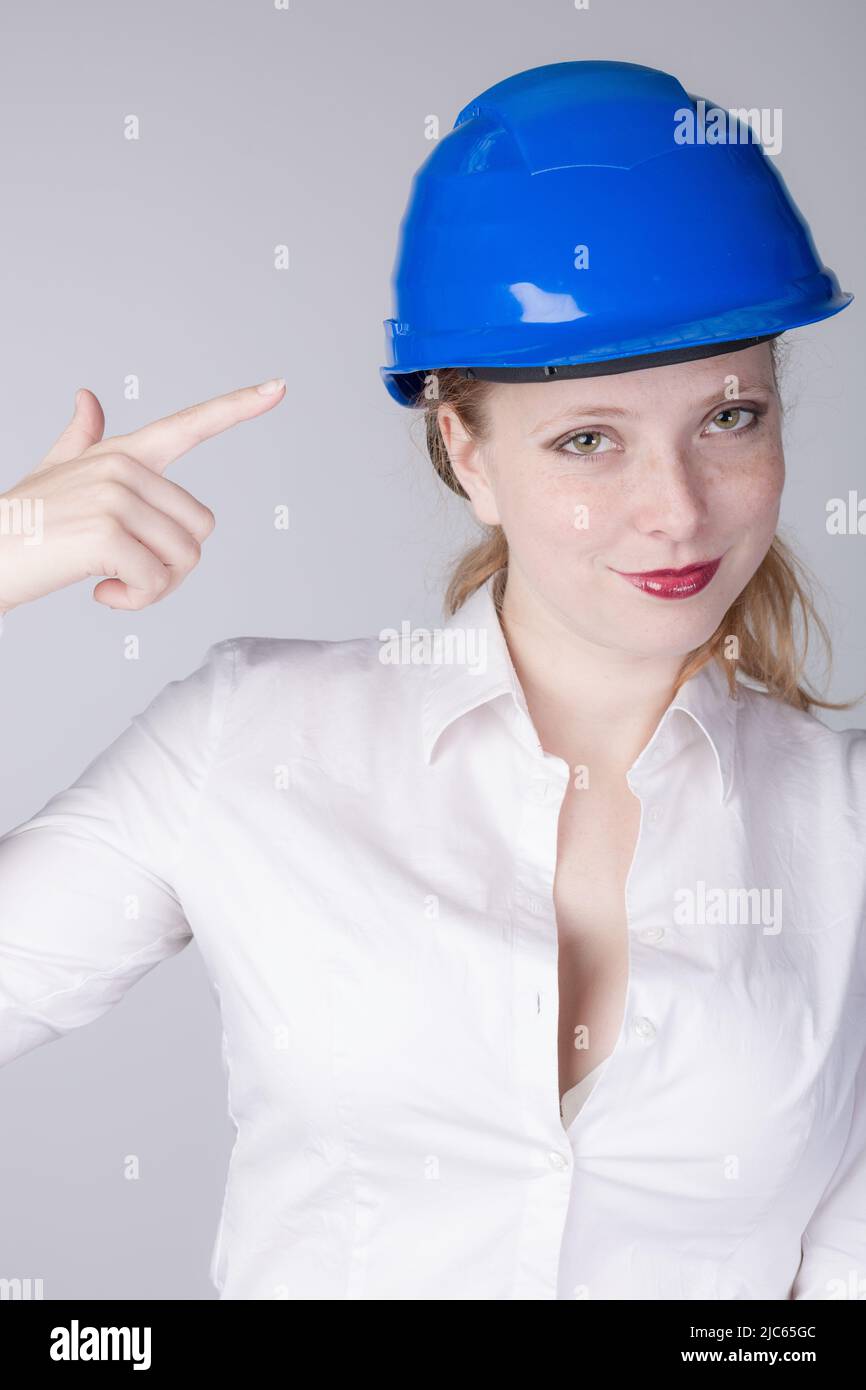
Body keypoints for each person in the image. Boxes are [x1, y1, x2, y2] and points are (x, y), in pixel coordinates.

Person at [1, 60, 864, 1302]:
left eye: (728, 419)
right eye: (586, 440)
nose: (676, 511)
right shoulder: (249, 735)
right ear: (465, 451)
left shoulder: (842, 828)